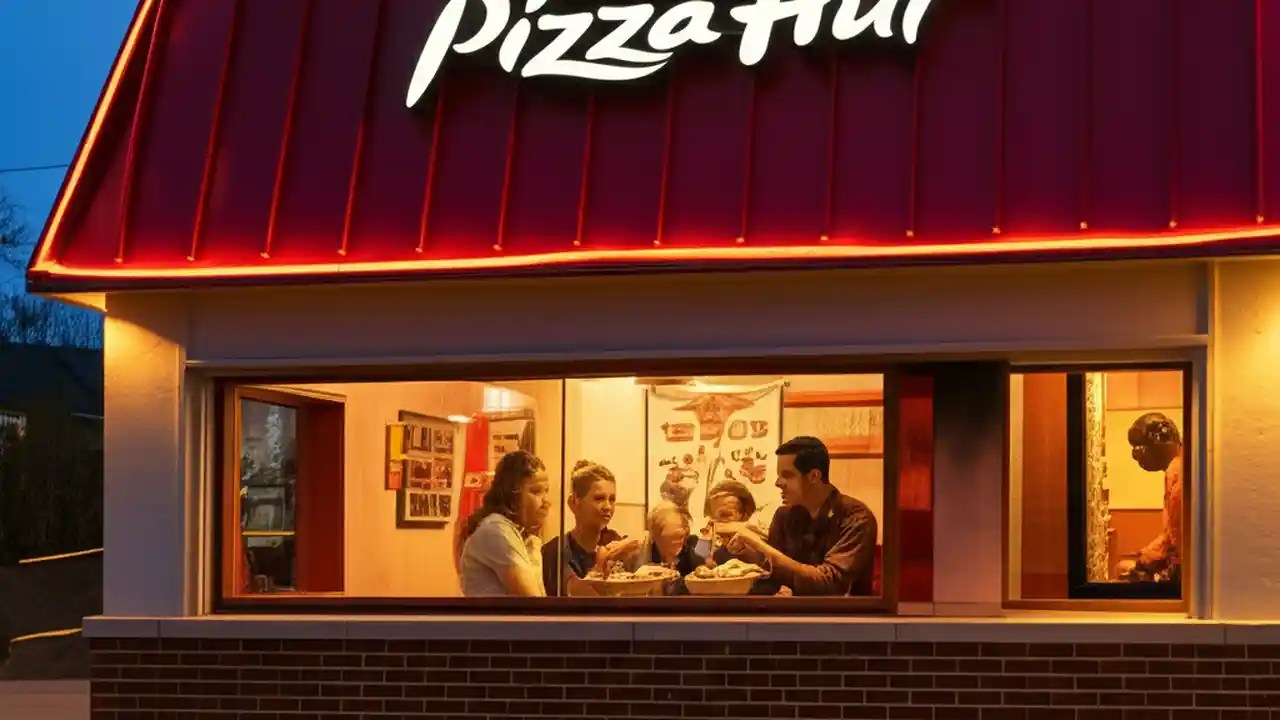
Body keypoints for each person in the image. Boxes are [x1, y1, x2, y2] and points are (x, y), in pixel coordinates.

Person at [726, 436, 878, 596]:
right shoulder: (785, 515)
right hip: (791, 615)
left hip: (844, 617)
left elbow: (829, 584)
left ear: (814, 476)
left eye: (787, 475)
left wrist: (758, 544)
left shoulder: (855, 517)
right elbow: (774, 572)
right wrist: (746, 551)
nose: (778, 483)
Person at [457, 450, 551, 597]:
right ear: (512, 494)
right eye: (536, 491)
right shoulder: (496, 529)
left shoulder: (523, 536)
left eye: (546, 491)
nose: (546, 501)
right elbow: (532, 601)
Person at [1117, 413, 1183, 583]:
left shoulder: (1178, 475)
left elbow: (1177, 544)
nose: (1137, 455)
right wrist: (1145, 555)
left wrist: (1146, 562)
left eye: (1141, 447)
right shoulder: (1176, 469)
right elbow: (1170, 535)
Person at [541, 460, 624, 596]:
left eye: (612, 499)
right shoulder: (555, 551)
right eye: (599, 498)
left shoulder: (615, 542)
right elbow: (581, 595)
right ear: (574, 502)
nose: (608, 506)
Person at [597, 502, 703, 595]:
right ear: (654, 534)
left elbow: (703, 568)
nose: (680, 540)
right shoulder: (638, 545)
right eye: (673, 536)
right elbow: (605, 555)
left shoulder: (688, 548)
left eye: (682, 534)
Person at [696, 480, 765, 566]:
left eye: (725, 515)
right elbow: (699, 556)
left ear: (746, 515)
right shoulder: (715, 542)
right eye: (713, 516)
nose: (716, 522)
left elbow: (760, 561)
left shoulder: (760, 539)